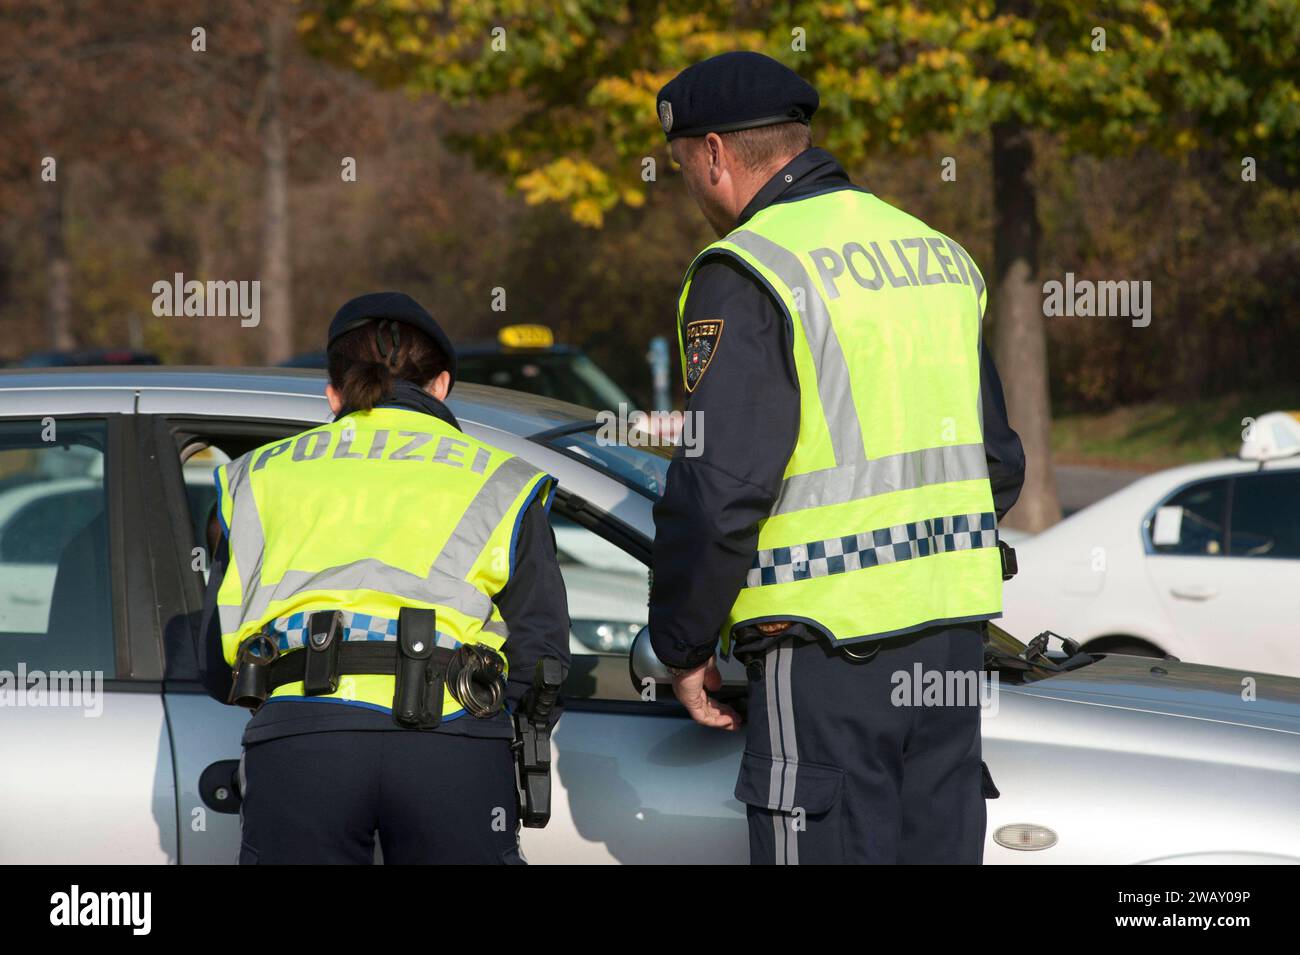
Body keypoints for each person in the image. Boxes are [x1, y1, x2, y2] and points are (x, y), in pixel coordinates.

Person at [649, 52, 1026, 864]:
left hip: (824, 652)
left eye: (682, 167)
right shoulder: (936, 252)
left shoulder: (748, 268)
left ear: (714, 153)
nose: (689, 186)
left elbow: (719, 492)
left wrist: (681, 645)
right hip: (952, 647)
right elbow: (999, 466)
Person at [197, 291, 570, 864]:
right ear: (441, 385)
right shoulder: (503, 480)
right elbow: (540, 658)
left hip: (304, 742)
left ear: (333, 392)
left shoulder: (254, 476)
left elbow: (215, 663)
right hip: (449, 743)